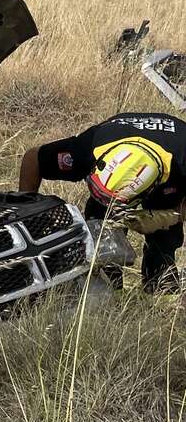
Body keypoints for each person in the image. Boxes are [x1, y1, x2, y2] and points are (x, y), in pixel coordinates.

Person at [18, 112, 186, 292]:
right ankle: (108, 288)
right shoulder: (88, 149)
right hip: (121, 138)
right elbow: (33, 158)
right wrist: (26, 212)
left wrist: (166, 217)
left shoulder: (182, 161)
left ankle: (160, 289)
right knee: (101, 228)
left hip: (171, 176)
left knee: (165, 238)